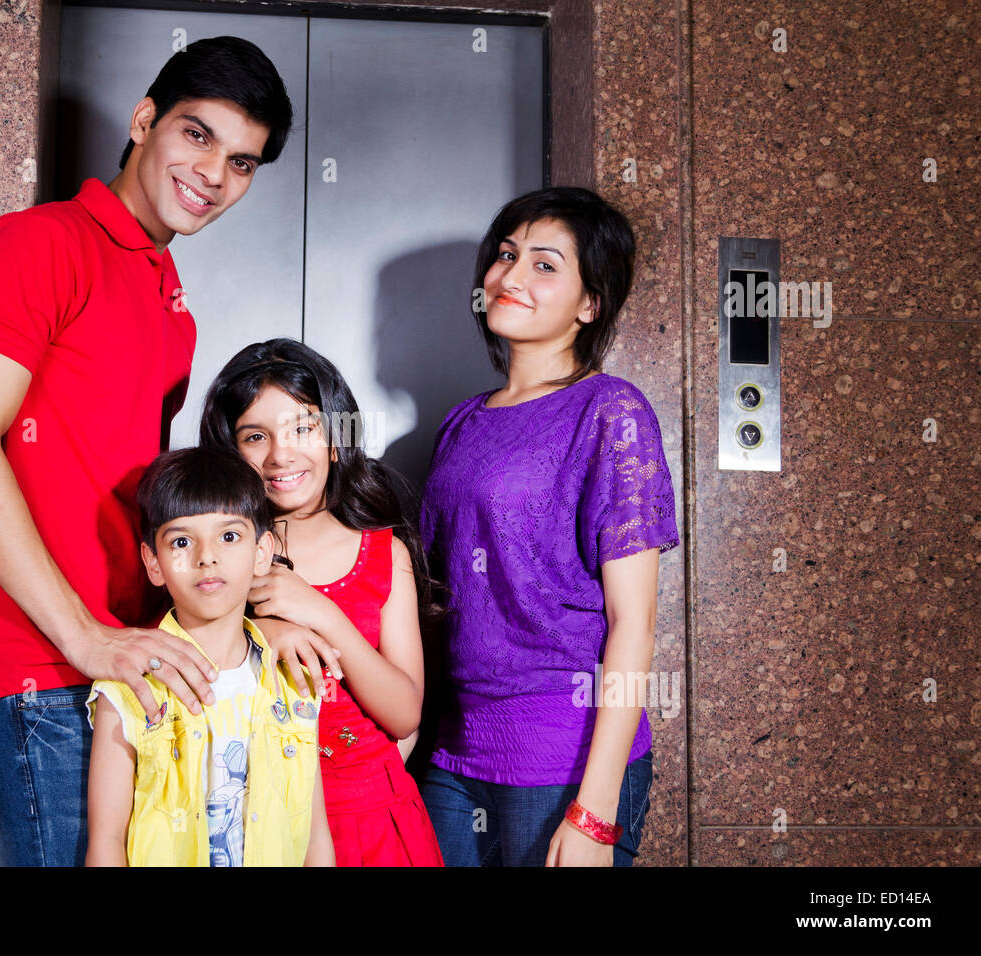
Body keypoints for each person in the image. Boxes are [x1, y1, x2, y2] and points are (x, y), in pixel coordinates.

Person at [0, 37, 295, 866]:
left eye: (242, 162)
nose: (213, 174)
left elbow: (159, 509)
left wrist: (265, 588)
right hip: (40, 686)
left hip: (130, 675)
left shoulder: (173, 310)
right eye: (196, 135)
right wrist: (85, 638)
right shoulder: (39, 242)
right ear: (144, 118)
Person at [418, 187, 680, 866]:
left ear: (589, 304)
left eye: (544, 264)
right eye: (506, 256)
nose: (509, 276)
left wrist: (594, 812)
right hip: (452, 752)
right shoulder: (463, 421)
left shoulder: (610, 411)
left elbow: (634, 623)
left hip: (561, 758)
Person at [198, 339, 446, 866]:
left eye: (302, 429)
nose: (280, 454)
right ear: (230, 452)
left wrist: (321, 612)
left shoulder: (383, 552)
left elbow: (405, 715)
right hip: (259, 821)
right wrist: (261, 635)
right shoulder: (216, 553)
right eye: (255, 436)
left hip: (371, 819)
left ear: (336, 438)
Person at [85, 447, 335, 866]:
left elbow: (314, 837)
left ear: (261, 552)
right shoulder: (129, 691)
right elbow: (107, 841)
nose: (206, 556)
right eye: (181, 541)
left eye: (230, 536)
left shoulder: (293, 684)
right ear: (154, 562)